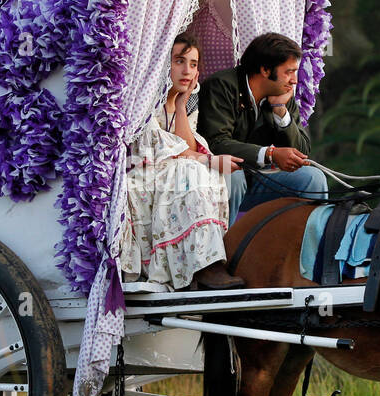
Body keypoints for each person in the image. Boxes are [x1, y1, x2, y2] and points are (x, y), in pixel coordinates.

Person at [119, 33, 245, 291]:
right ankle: (201, 266)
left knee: (198, 170)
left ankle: (209, 261)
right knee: (191, 170)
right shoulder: (145, 98)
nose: (187, 70)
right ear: (165, 63)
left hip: (168, 167)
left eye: (194, 64)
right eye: (179, 61)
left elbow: (184, 145)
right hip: (141, 168)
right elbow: (159, 150)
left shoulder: (184, 99)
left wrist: (181, 104)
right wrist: (210, 160)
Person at [198, 32, 328, 221]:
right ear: (266, 70)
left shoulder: (282, 94)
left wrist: (280, 111)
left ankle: (305, 248)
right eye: (288, 72)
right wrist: (270, 154)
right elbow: (216, 143)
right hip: (219, 178)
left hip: (259, 179)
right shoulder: (222, 86)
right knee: (233, 175)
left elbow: (301, 151)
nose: (295, 80)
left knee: (312, 179)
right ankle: (222, 247)